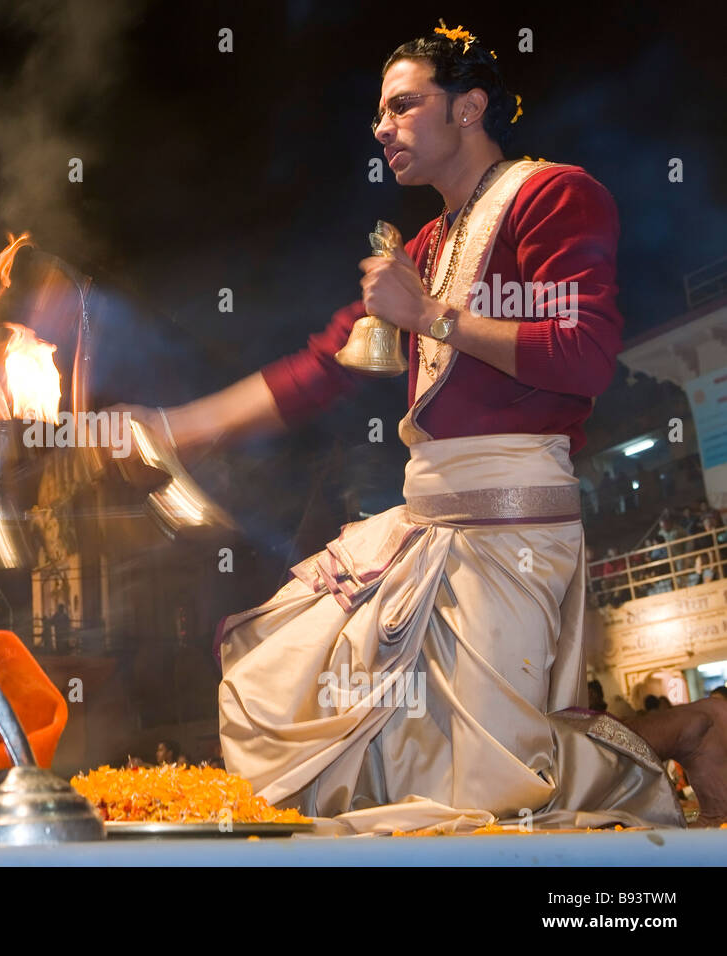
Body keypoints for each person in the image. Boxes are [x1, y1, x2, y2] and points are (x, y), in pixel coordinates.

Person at [114, 22, 726, 830]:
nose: (382, 127)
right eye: (378, 112)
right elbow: (326, 364)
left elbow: (581, 355)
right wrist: (174, 426)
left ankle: (694, 726)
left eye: (403, 105)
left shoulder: (555, 194)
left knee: (489, 794)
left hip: (514, 526)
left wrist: (430, 314)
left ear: (469, 107)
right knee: (300, 692)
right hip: (426, 520)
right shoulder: (428, 243)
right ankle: (686, 730)